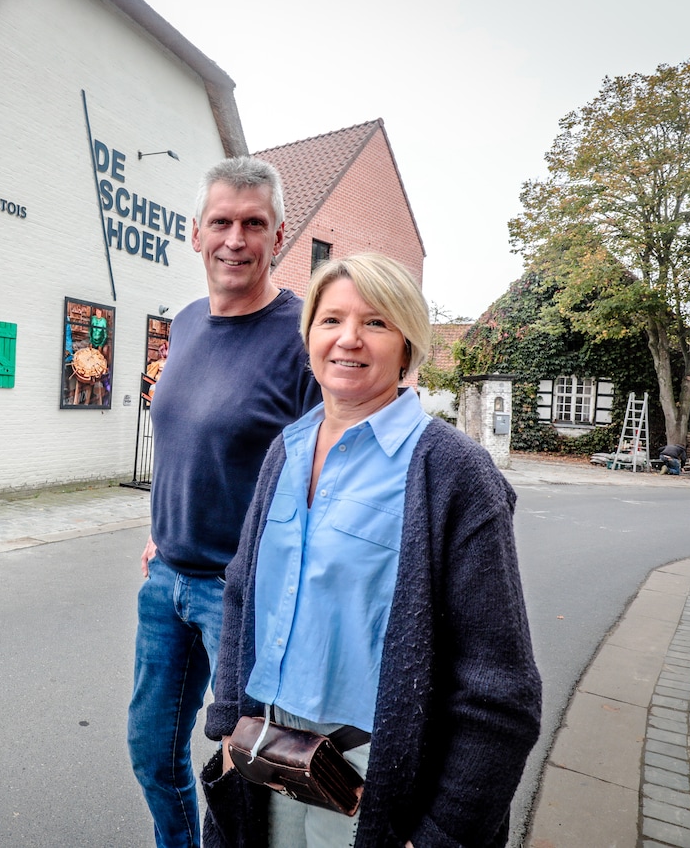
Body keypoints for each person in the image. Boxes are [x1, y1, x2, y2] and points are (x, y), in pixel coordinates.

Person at [203, 254, 542, 848]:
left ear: (407, 345)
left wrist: (443, 833)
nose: (349, 339)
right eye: (330, 319)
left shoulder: (454, 472)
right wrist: (230, 729)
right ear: (309, 335)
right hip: (269, 750)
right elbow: (240, 595)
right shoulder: (286, 449)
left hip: (377, 776)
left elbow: (500, 691)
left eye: (376, 323)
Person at [129, 156, 324, 848]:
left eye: (253, 224)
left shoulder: (304, 338)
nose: (234, 239)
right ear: (195, 233)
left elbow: (325, 481)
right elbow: (182, 437)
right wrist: (161, 527)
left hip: (243, 599)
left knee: (247, 772)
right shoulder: (183, 323)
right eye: (221, 222)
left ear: (278, 236)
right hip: (167, 583)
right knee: (152, 754)